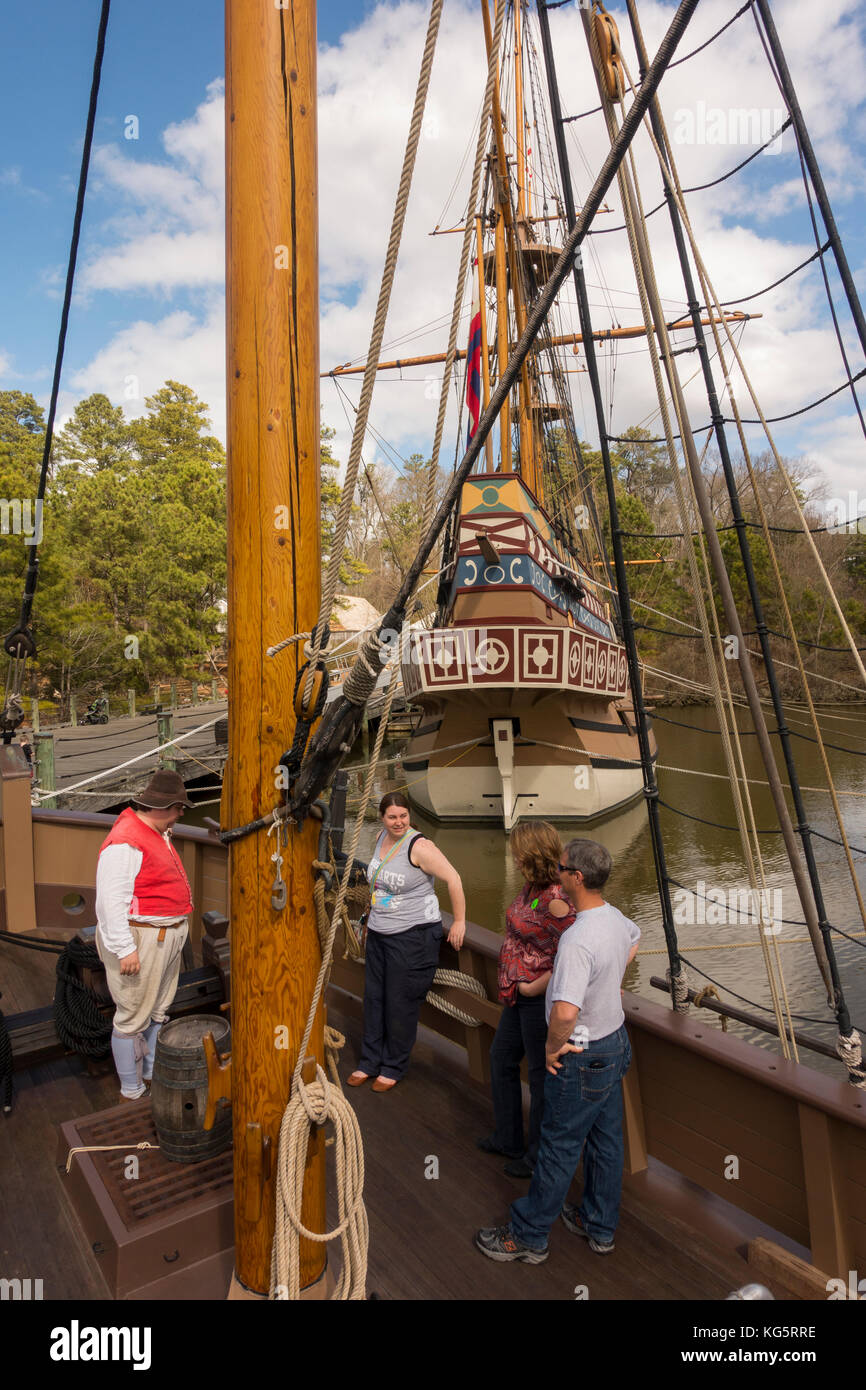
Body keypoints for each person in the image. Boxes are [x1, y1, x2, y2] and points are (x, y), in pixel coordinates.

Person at [474, 837, 639, 1264]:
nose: (557, 871)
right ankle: (599, 1225)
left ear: (576, 878)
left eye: (563, 867)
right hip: (615, 1042)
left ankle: (529, 1236)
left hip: (581, 1052)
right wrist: (608, 978)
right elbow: (634, 942)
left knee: (559, 1143)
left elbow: (565, 1011)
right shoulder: (615, 920)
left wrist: (551, 1050)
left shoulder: (578, 939)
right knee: (606, 1142)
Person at [347, 792, 466, 1092]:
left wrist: (461, 922)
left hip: (412, 936)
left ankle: (393, 1066)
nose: (398, 822)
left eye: (403, 816)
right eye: (392, 817)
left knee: (399, 1004)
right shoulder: (379, 839)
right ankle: (369, 1061)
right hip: (379, 933)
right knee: (374, 998)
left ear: (409, 816)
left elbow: (454, 879)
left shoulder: (420, 847)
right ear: (382, 818)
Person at [476, 821, 574, 1178]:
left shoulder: (558, 900)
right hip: (515, 996)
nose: (513, 857)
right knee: (500, 1058)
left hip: (537, 1001)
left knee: (539, 1075)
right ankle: (508, 1138)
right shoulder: (532, 887)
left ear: (532, 853)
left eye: (517, 851)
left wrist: (535, 987)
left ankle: (536, 1158)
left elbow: (572, 953)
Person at [95, 770, 194, 1101]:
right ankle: (132, 1087)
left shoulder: (153, 831)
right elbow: (110, 902)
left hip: (163, 937)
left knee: (156, 1008)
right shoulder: (125, 842)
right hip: (142, 940)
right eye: (179, 808)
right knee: (132, 1013)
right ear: (165, 806)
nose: (181, 815)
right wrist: (125, 950)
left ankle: (150, 1073)